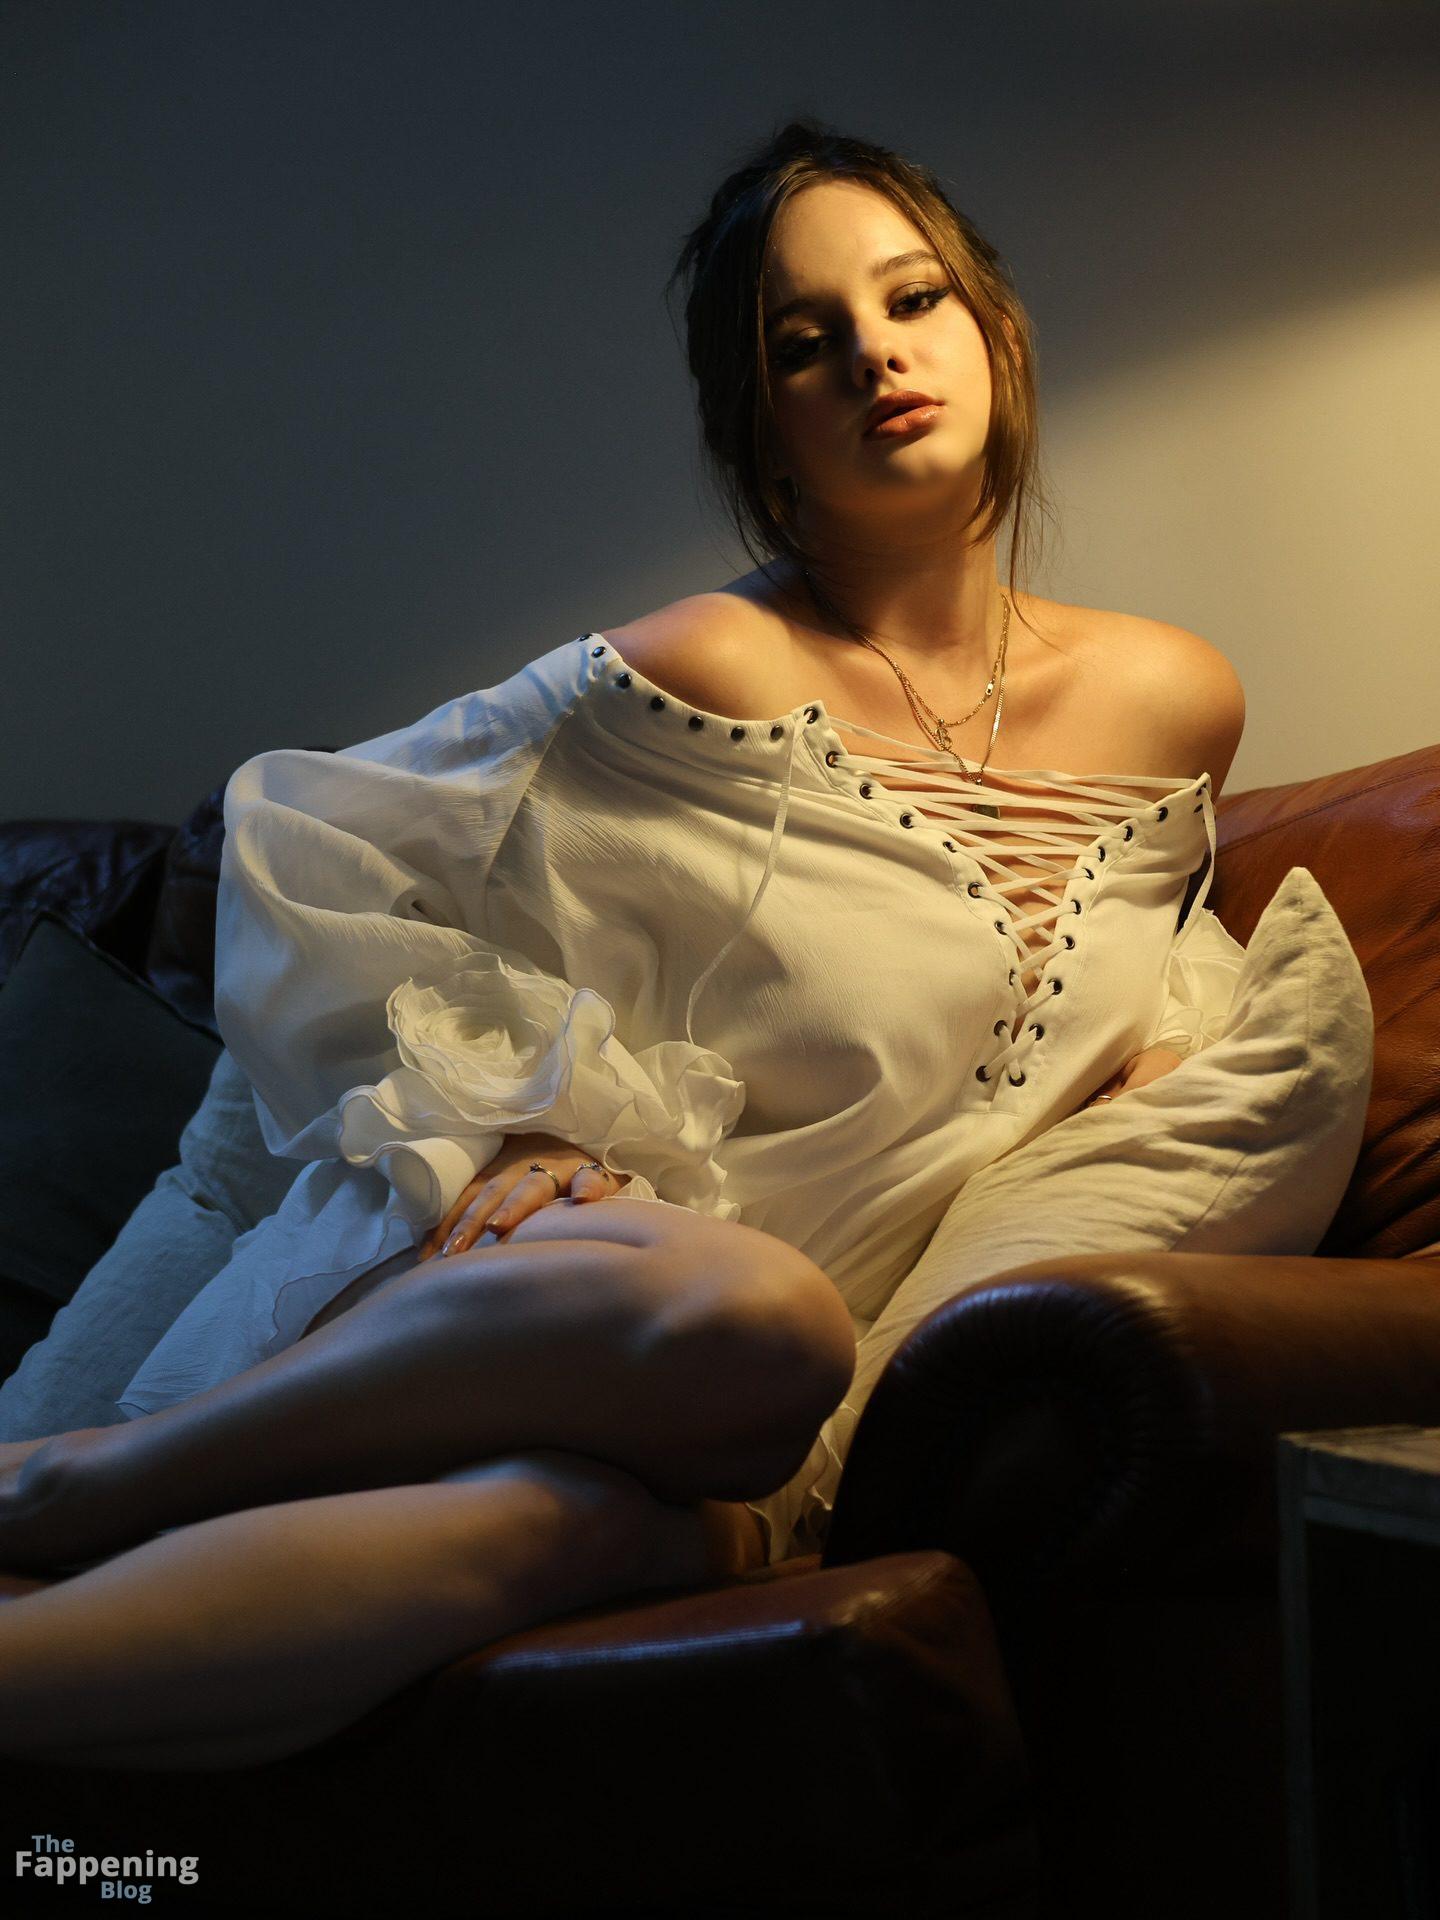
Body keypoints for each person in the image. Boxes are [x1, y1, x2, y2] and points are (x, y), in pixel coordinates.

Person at [0, 117, 1245, 1771]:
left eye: (914, 301)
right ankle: (76, 1479)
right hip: (568, 1296)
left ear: (998, 337)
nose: (876, 357)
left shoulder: (1176, 702)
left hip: (747, 1438)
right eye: (805, 344)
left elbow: (1126, 997)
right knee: (763, 1318)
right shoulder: (703, 669)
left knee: (568, 1529)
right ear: (760, 427)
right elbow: (308, 837)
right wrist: (513, 1113)